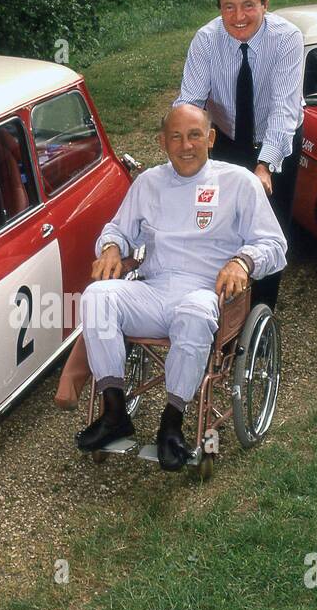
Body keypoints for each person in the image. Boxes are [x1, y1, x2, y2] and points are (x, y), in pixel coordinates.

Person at [75, 104, 285, 471]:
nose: (186, 146)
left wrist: (243, 262)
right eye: (176, 136)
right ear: (163, 142)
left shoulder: (239, 182)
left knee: (194, 312)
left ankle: (171, 423)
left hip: (206, 291)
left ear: (211, 138)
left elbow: (274, 244)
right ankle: (114, 412)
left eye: (194, 135)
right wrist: (111, 248)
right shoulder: (148, 183)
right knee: (96, 297)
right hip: (153, 288)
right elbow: (118, 230)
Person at [173, 0, 303, 306]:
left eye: (248, 5)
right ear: (220, 9)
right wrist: (182, 146)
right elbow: (191, 100)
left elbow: (284, 109)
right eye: (229, 7)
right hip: (228, 138)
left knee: (270, 228)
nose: (238, 16)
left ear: (265, 4)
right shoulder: (206, 39)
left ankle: (263, 309)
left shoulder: (288, 38)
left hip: (277, 138)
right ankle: (224, 302)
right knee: (222, 220)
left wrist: (265, 166)